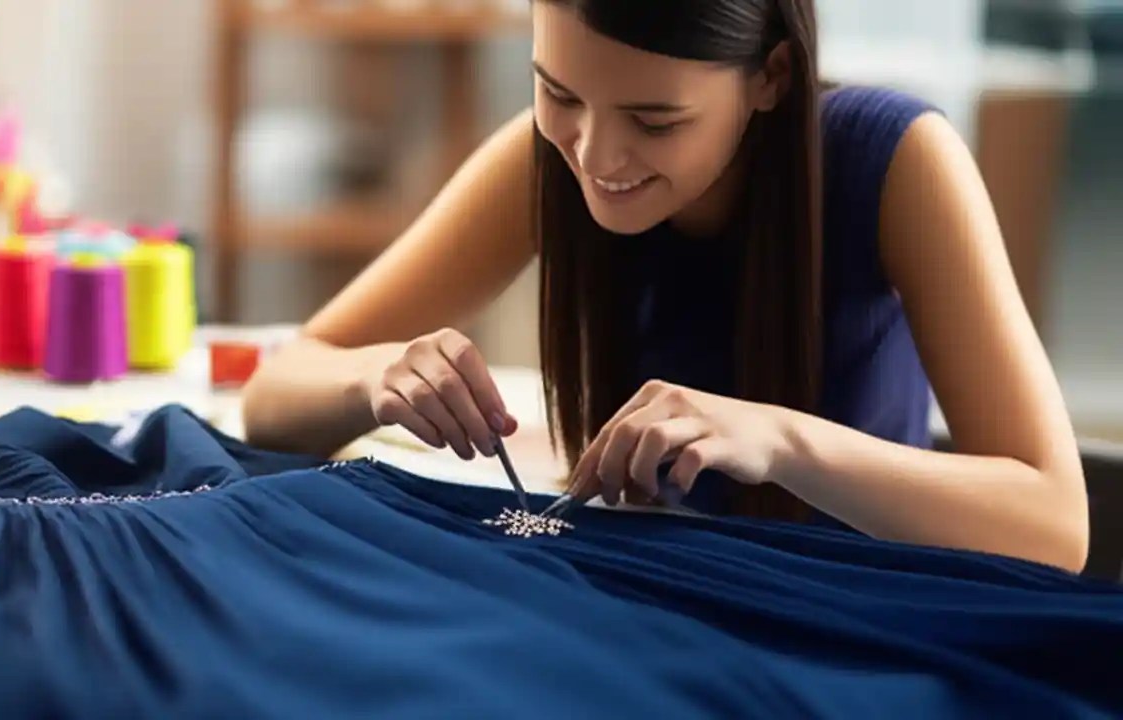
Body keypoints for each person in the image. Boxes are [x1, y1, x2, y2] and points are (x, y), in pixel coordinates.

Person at [241, 0, 1089, 572]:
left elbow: (1056, 527)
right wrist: (375, 376)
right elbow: (276, 393)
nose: (596, 158)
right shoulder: (545, 162)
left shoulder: (896, 163)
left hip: (847, 617)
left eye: (655, 121)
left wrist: (781, 442)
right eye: (556, 92)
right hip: (645, 599)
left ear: (772, 78)